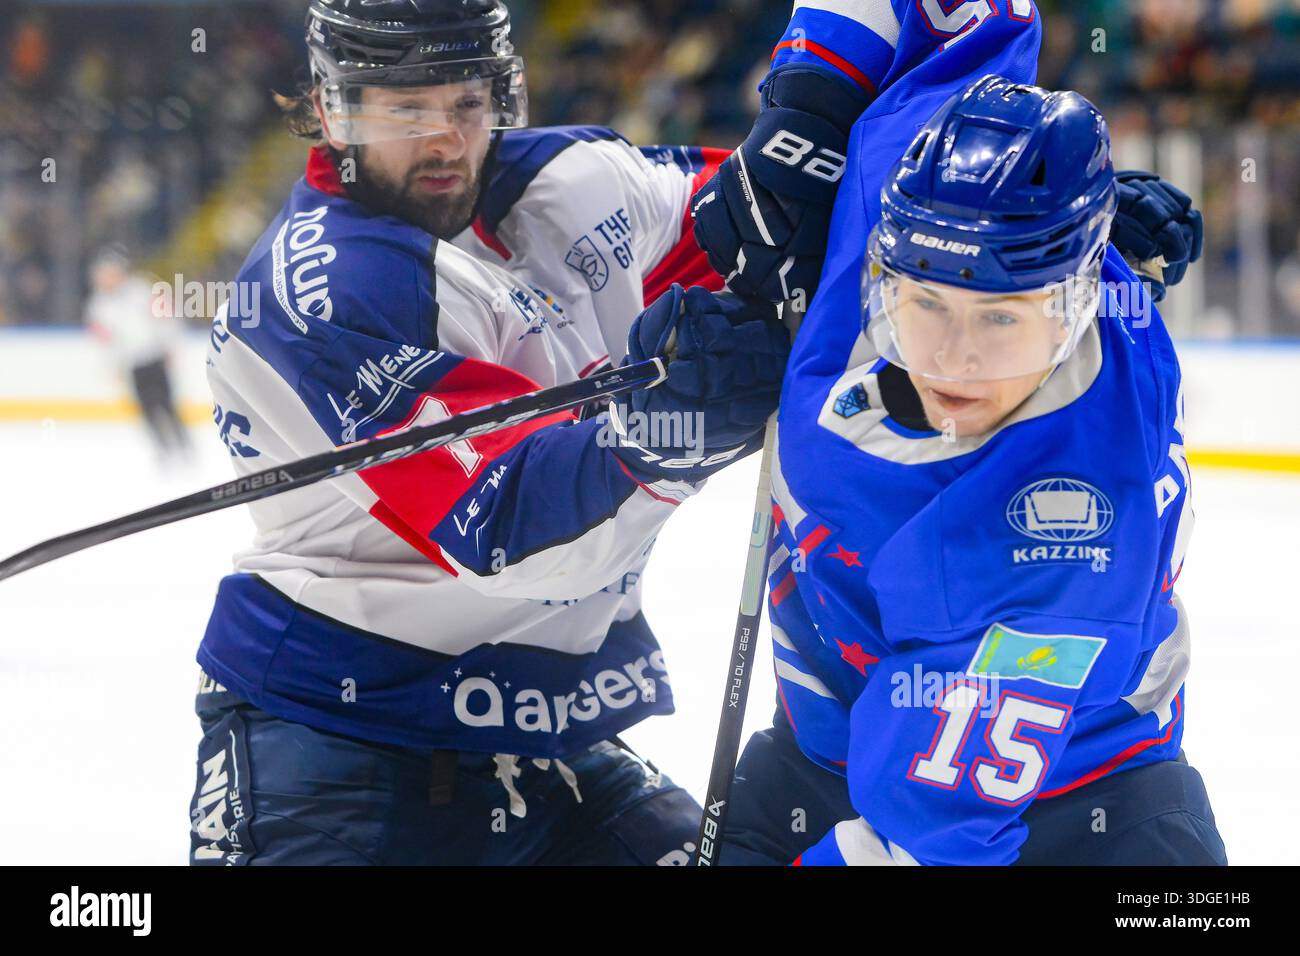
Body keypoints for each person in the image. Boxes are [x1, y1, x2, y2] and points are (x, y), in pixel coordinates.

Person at [190, 0, 788, 865]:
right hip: (337, 740)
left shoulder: (577, 179)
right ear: (328, 110)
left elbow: (754, 229)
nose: (445, 141)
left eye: (467, 104)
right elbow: (509, 526)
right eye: (405, 110)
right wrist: (667, 432)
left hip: (551, 744)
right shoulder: (326, 286)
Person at [712, 71, 1226, 866]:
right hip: (818, 760)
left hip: (1086, 804)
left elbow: (921, 841)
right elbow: (958, 26)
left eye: (999, 318)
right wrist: (800, 120)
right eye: (927, 306)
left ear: (1076, 303)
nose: (954, 359)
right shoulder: (924, 203)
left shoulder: (1062, 541)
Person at [84, 247, 191, 465]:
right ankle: (163, 448)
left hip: (155, 356)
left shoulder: (141, 290)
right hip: (133, 364)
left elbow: (165, 317)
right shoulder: (98, 306)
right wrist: (113, 367)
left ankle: (183, 444)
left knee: (167, 403)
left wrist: (169, 345)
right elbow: (105, 343)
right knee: (147, 409)